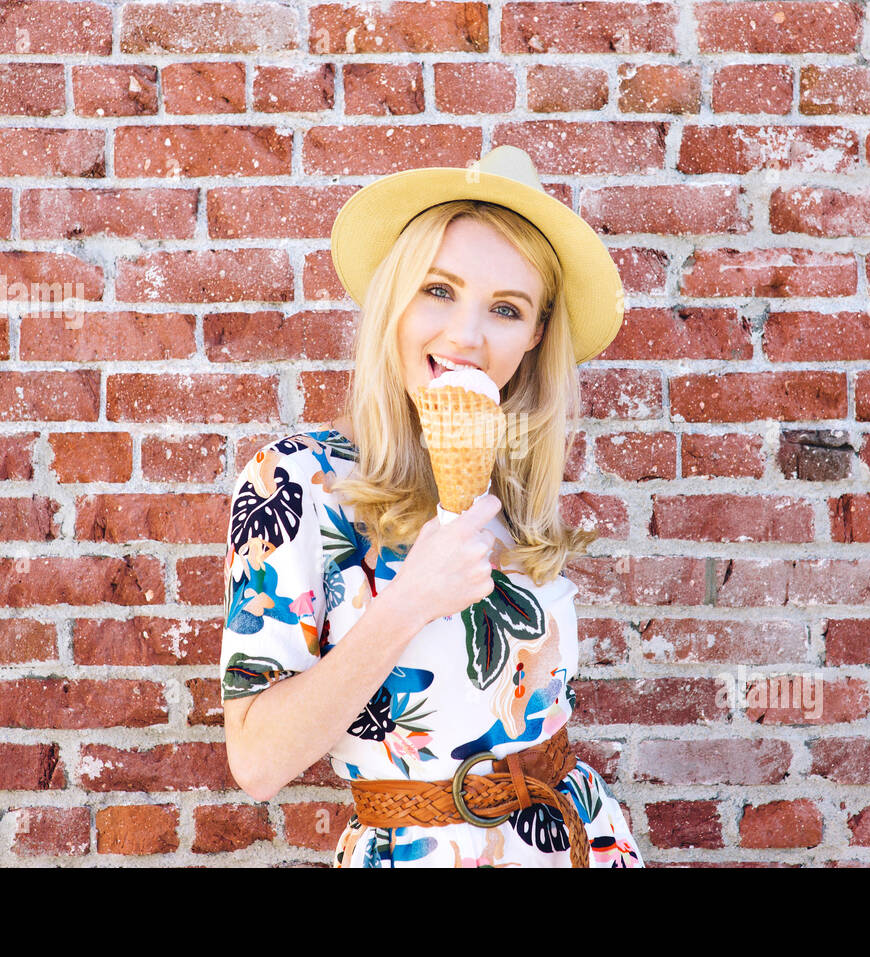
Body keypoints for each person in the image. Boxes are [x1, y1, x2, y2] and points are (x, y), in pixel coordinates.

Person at [220, 145, 644, 867]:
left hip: (573, 841)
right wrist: (408, 601)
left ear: (535, 335)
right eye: (439, 290)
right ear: (397, 294)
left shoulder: (508, 486)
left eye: (506, 308)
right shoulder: (294, 480)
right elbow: (257, 762)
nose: (467, 335)